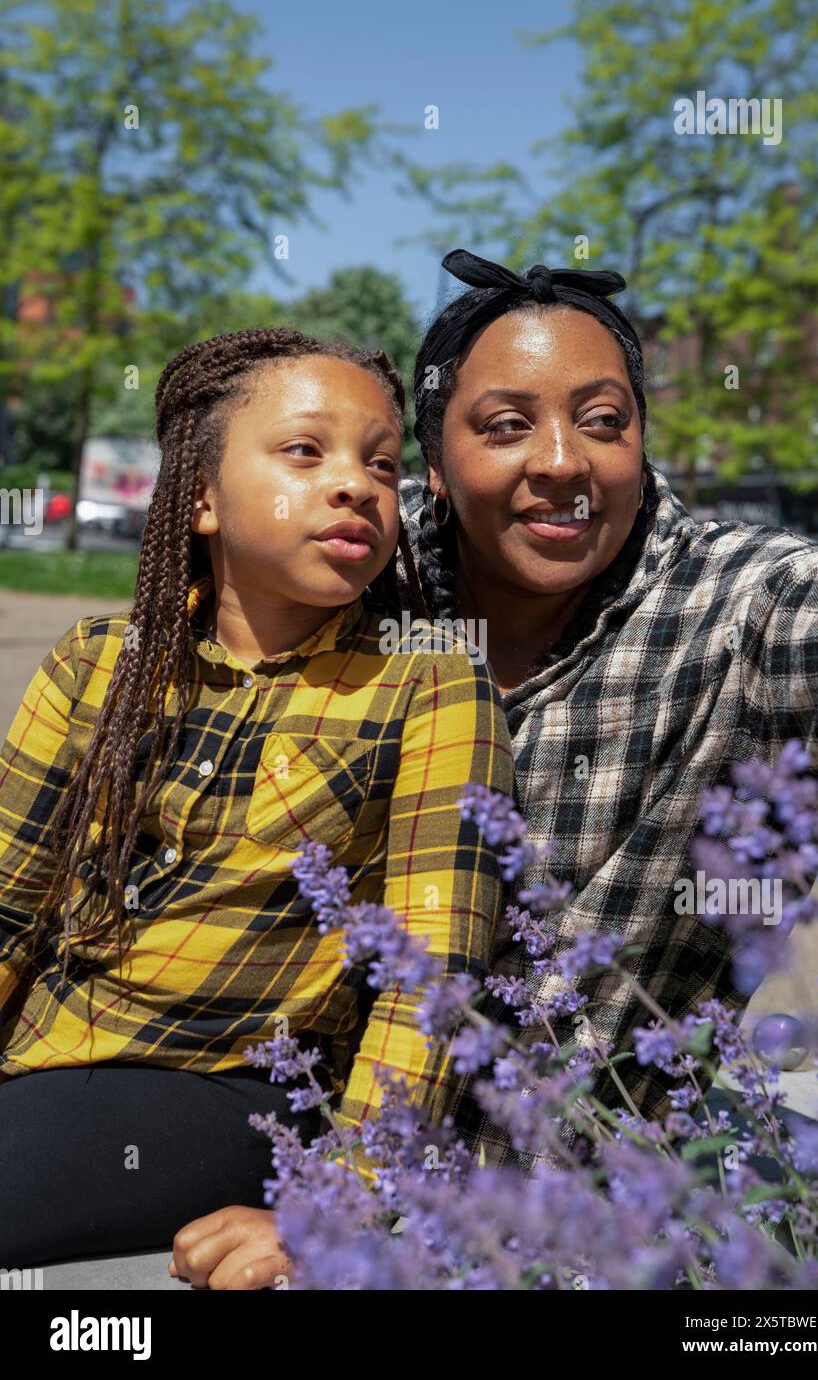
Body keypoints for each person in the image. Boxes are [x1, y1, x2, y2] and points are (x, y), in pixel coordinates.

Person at [0, 327, 514, 1273]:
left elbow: (427, 972)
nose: (357, 483)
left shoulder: (428, 685)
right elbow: (9, 903)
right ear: (199, 496)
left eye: (382, 464)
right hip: (41, 1050)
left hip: (227, 1084)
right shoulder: (97, 661)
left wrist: (344, 1196)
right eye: (304, 451)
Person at [397, 248, 818, 1171]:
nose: (562, 462)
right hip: (306, 1172)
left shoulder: (742, 613)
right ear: (436, 465)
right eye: (504, 426)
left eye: (602, 422)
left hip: (589, 1219)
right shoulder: (363, 587)